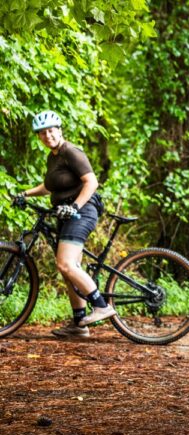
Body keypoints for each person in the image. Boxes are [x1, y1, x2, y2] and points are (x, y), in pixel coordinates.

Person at [13, 110, 114, 338]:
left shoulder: (71, 151)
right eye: (42, 133)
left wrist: (75, 207)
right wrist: (25, 194)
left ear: (59, 130)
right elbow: (50, 186)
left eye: (51, 130)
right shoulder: (53, 157)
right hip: (66, 213)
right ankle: (79, 325)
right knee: (70, 270)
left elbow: (92, 182)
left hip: (82, 211)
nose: (48, 135)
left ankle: (101, 306)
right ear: (39, 137)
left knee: (65, 264)